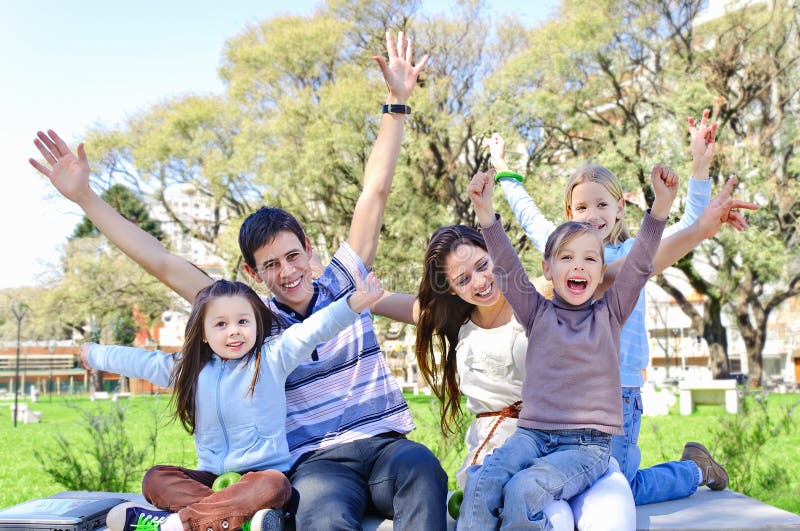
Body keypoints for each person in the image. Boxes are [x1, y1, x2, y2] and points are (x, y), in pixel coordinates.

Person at [30, 32, 448, 530]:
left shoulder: (345, 283)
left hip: (384, 446)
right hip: (316, 464)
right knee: (321, 515)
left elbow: (373, 192)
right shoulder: (249, 321)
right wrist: (86, 199)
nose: (287, 271)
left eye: (294, 256)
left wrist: (397, 104)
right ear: (253, 273)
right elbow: (161, 262)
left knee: (424, 469)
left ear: (309, 250)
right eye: (271, 265)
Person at [488, 111, 748, 505]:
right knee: (585, 487)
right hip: (572, 393)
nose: (591, 215)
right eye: (581, 208)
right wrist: (503, 168)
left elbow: (690, 225)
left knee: (618, 488)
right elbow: (527, 214)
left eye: (602, 205)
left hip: (621, 388)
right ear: (569, 214)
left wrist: (699, 164)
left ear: (620, 210)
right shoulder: (563, 250)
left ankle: (695, 468)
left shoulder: (634, 252)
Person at [454, 164, 678, 529]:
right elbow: (507, 267)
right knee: (483, 480)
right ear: (547, 268)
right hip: (532, 436)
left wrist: (661, 207)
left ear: (603, 271)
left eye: (590, 258)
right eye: (567, 258)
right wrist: (484, 211)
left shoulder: (611, 314)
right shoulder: (536, 313)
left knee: (524, 490)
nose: (579, 266)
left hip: (586, 446)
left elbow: (638, 265)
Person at [83, 274, 383, 531]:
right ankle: (240, 520)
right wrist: (94, 354)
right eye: (221, 324)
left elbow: (315, 329)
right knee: (156, 478)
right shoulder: (189, 369)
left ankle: (175, 525)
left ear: (256, 323)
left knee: (275, 487)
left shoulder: (272, 358)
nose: (234, 331)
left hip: (261, 479)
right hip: (212, 478)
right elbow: (140, 361)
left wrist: (355, 303)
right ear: (203, 332)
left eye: (242, 321)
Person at [411, 224, 636, 531]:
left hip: (567, 442)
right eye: (463, 279)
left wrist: (690, 224)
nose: (480, 281)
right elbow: (401, 304)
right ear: (451, 287)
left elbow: (636, 269)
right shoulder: (458, 323)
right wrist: (361, 299)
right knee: (499, 495)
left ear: (496, 258)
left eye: (482, 265)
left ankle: (689, 472)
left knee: (590, 505)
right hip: (511, 448)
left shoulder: (538, 302)